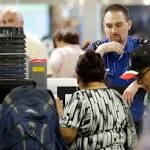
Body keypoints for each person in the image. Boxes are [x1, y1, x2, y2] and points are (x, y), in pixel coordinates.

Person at [87, 3, 148, 138]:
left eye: (119, 25)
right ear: (104, 27)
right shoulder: (95, 50)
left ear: (129, 25)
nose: (114, 30)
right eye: (109, 26)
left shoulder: (142, 48)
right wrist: (100, 52)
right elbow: (83, 80)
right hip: (103, 124)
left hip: (136, 122)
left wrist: (138, 83)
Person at [56, 50, 137, 150]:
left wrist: (60, 114)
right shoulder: (117, 96)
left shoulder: (79, 98)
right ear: (104, 75)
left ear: (77, 77)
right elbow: (131, 135)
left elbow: (67, 136)